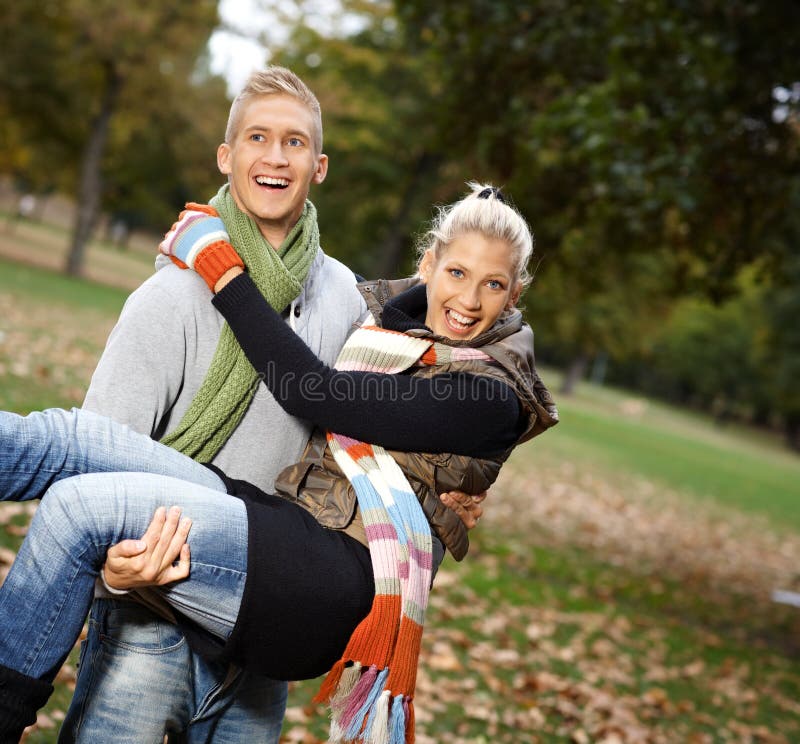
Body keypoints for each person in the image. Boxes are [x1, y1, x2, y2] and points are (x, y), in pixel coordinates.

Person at [0, 184, 558, 743]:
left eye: (494, 284)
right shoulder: (379, 330)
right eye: (458, 273)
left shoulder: (492, 397)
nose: (470, 300)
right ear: (428, 264)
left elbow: (313, 391)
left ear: (514, 295)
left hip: (335, 583)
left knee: (79, 510)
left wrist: (220, 269)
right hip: (288, 526)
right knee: (72, 438)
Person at [63, 65, 482, 743]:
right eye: (258, 137)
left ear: (318, 168)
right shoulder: (168, 298)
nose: (275, 156)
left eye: (294, 143)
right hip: (151, 619)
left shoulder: (347, 300)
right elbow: (94, 452)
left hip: (271, 626)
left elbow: (377, 416)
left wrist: (444, 480)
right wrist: (112, 569)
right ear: (228, 158)